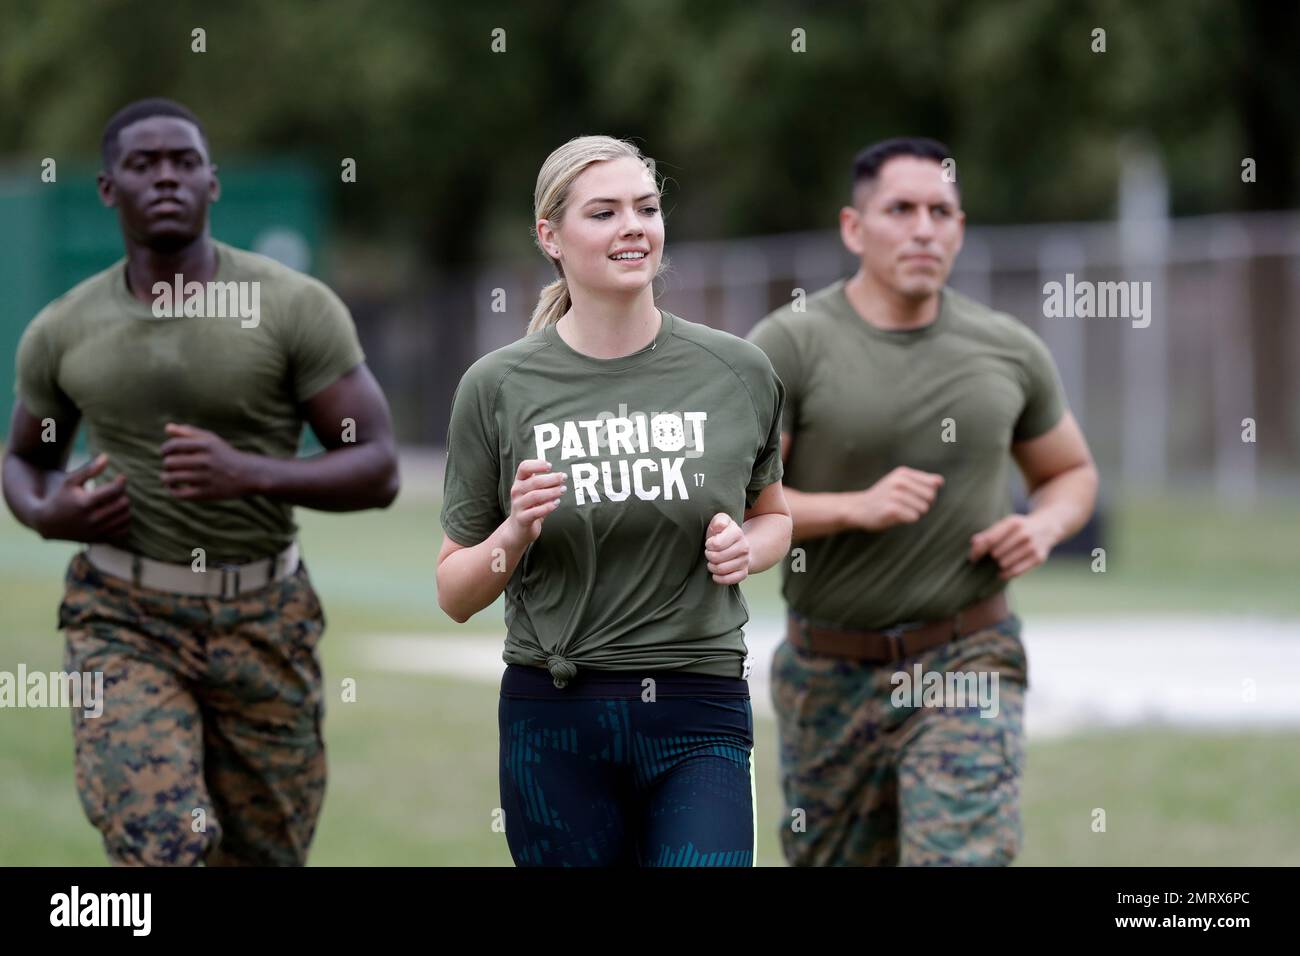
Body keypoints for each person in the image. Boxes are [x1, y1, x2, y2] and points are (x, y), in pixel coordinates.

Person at [2, 98, 400, 865]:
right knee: (162, 847)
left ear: (212, 183)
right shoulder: (63, 327)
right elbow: (24, 460)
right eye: (142, 164)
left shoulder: (293, 307)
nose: (165, 177)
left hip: (264, 618)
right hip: (122, 616)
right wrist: (53, 514)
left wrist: (251, 474)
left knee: (264, 854)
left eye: (183, 162)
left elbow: (378, 464)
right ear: (107, 188)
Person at [437, 134, 792, 867]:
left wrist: (747, 548)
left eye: (647, 208)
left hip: (701, 706)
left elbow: (776, 516)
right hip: (556, 715)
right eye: (604, 212)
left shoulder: (740, 371)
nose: (634, 227)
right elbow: (453, 592)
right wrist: (516, 529)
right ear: (550, 237)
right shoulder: (497, 387)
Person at [747, 136, 1098, 866]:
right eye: (900, 209)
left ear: (961, 229)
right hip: (827, 673)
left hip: (968, 658)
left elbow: (1070, 473)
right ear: (854, 227)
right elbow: (745, 509)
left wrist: (1046, 525)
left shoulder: (1007, 349)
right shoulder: (791, 345)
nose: (923, 229)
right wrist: (854, 507)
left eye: (942, 211)